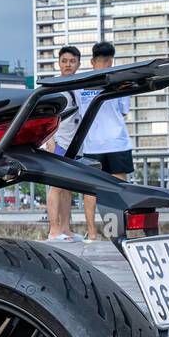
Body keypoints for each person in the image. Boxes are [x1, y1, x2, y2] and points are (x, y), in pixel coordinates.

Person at [78, 41, 133, 240]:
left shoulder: (81, 83)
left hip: (92, 144)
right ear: (111, 61)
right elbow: (124, 111)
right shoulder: (120, 82)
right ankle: (116, 232)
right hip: (117, 142)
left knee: (91, 190)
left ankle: (92, 233)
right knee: (118, 190)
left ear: (92, 61)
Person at [44, 45, 83, 242]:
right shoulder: (54, 87)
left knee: (68, 187)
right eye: (65, 61)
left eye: (72, 61)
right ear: (59, 63)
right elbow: (47, 115)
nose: (68, 65)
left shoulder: (79, 86)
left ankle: (66, 229)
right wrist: (49, 141)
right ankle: (54, 230)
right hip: (58, 142)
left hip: (74, 144)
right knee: (56, 187)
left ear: (78, 63)